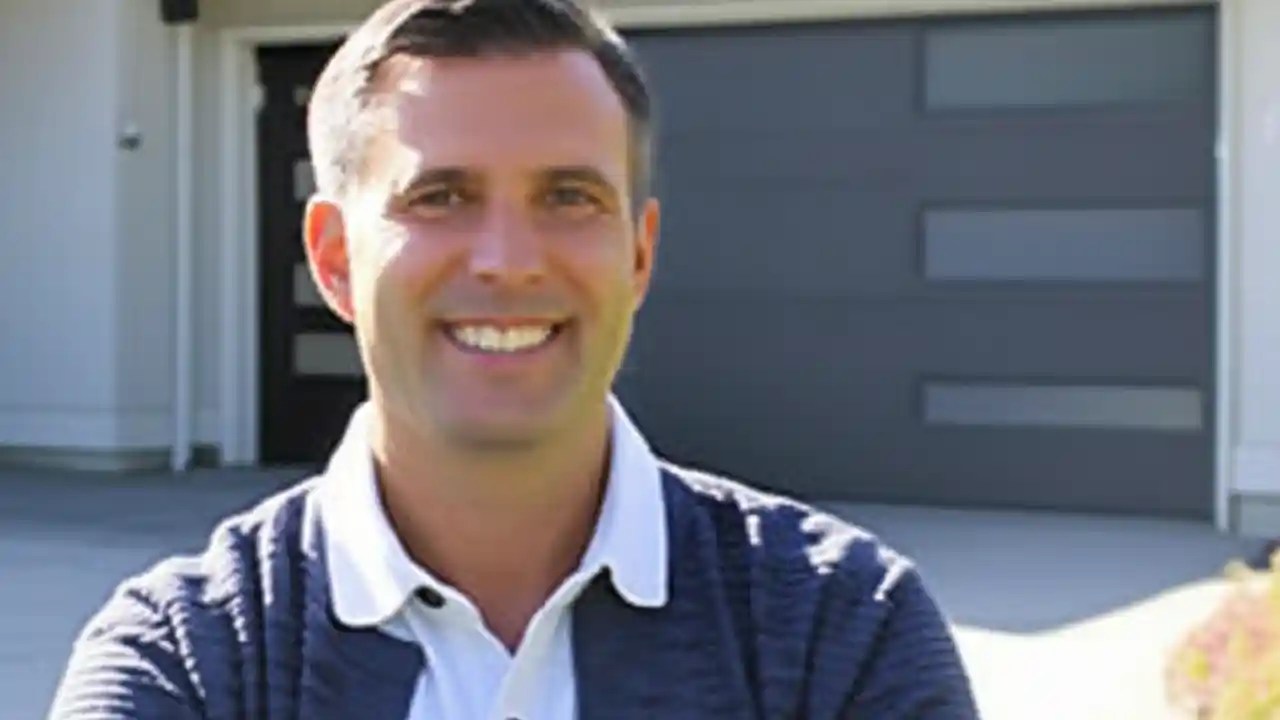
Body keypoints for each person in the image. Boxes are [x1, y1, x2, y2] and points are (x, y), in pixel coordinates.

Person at [49, 1, 979, 717]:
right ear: (333, 258)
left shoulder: (842, 630)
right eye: (441, 195)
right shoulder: (188, 662)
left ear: (640, 255)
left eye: (568, 197)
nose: (507, 259)